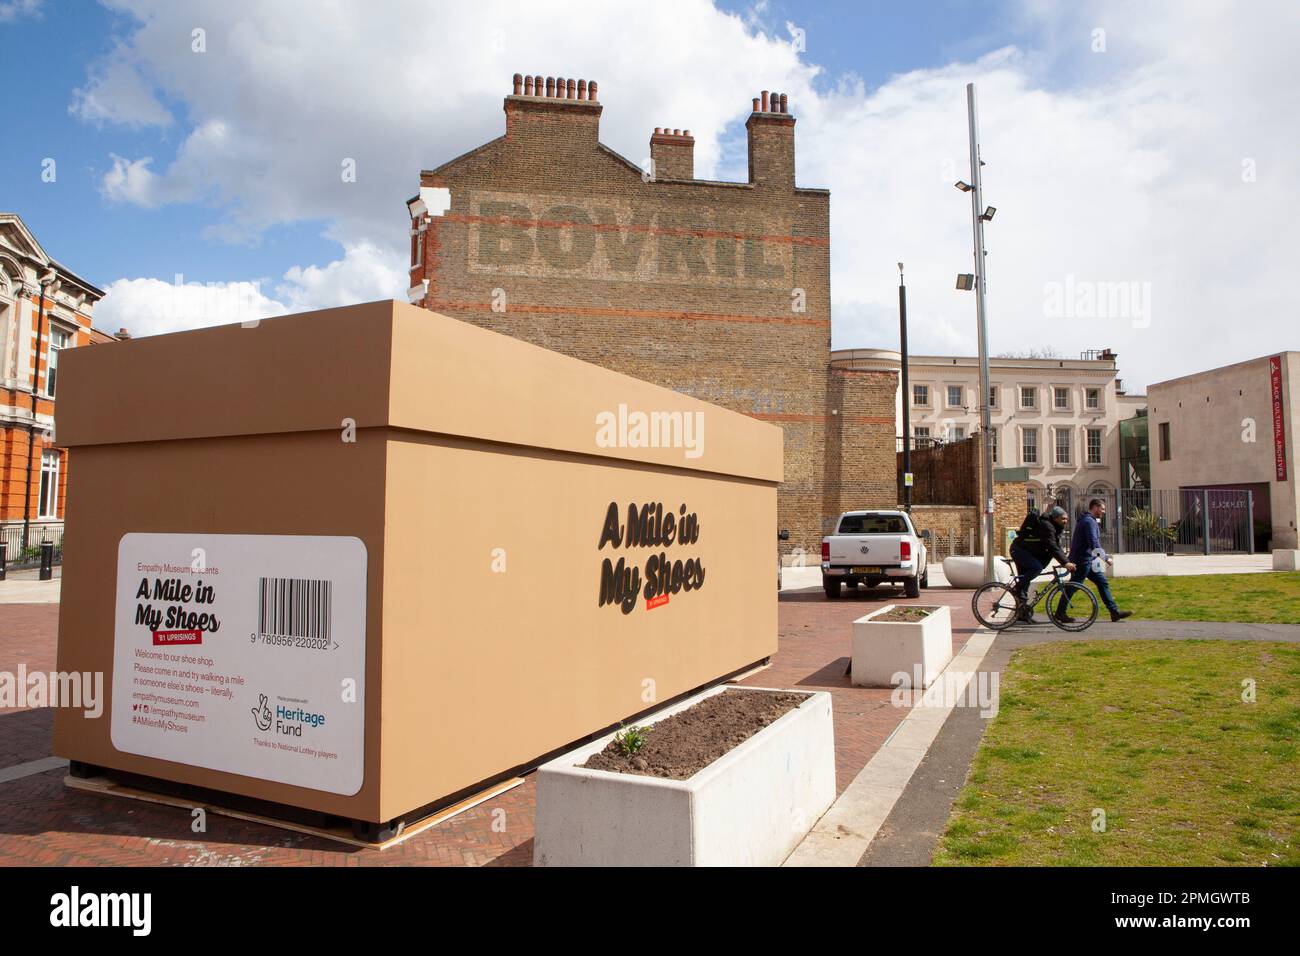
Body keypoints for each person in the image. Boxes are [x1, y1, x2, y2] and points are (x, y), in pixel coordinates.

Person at [1067, 499, 1132, 623]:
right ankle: (1060, 612)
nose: (1104, 512)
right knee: (1074, 586)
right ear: (1095, 507)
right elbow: (1093, 543)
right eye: (1102, 509)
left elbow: (1093, 543)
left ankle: (1114, 612)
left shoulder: (1088, 520)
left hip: (1088, 560)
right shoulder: (1088, 522)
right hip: (1082, 560)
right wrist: (1106, 558)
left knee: (1102, 583)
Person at [1009, 505, 1074, 622]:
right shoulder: (1047, 526)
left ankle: (1022, 614)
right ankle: (1016, 588)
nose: (1065, 521)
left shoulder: (1056, 527)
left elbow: (1057, 546)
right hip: (1019, 550)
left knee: (1025, 582)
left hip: (1026, 551)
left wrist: (1067, 561)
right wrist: (1065, 563)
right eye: (1063, 519)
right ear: (1055, 518)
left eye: (1066, 519)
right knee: (1036, 568)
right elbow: (1052, 546)